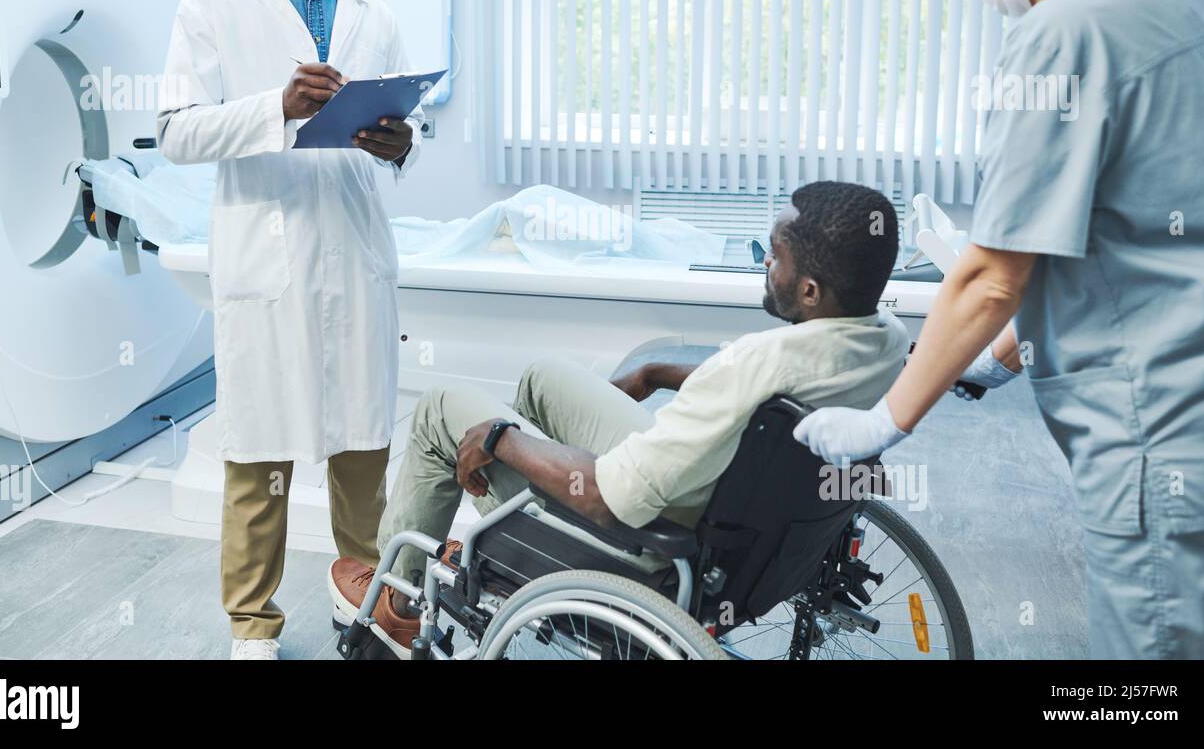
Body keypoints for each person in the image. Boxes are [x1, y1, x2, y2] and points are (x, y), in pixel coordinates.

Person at [794, 0, 1204, 659]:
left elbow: (993, 272)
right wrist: (1006, 352)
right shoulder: (1173, 24)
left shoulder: (1060, 36)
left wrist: (883, 421)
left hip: (1153, 444)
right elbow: (1127, 239)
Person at [329, 181, 912, 659]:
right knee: (544, 378)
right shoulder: (886, 340)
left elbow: (614, 497)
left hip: (653, 539)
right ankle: (509, 520)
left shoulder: (754, 364)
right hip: (732, 513)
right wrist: (657, 371)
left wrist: (505, 440)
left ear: (809, 290)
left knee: (440, 412)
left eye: (774, 257)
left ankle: (397, 606)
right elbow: (757, 384)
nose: (765, 265)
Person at [157, 0, 424, 659]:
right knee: (260, 454)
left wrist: (401, 146)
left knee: (362, 446)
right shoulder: (211, 3)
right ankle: (253, 625)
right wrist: (275, 106)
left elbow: (409, 126)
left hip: (352, 247)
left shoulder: (375, 12)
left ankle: (361, 598)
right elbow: (173, 132)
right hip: (264, 254)